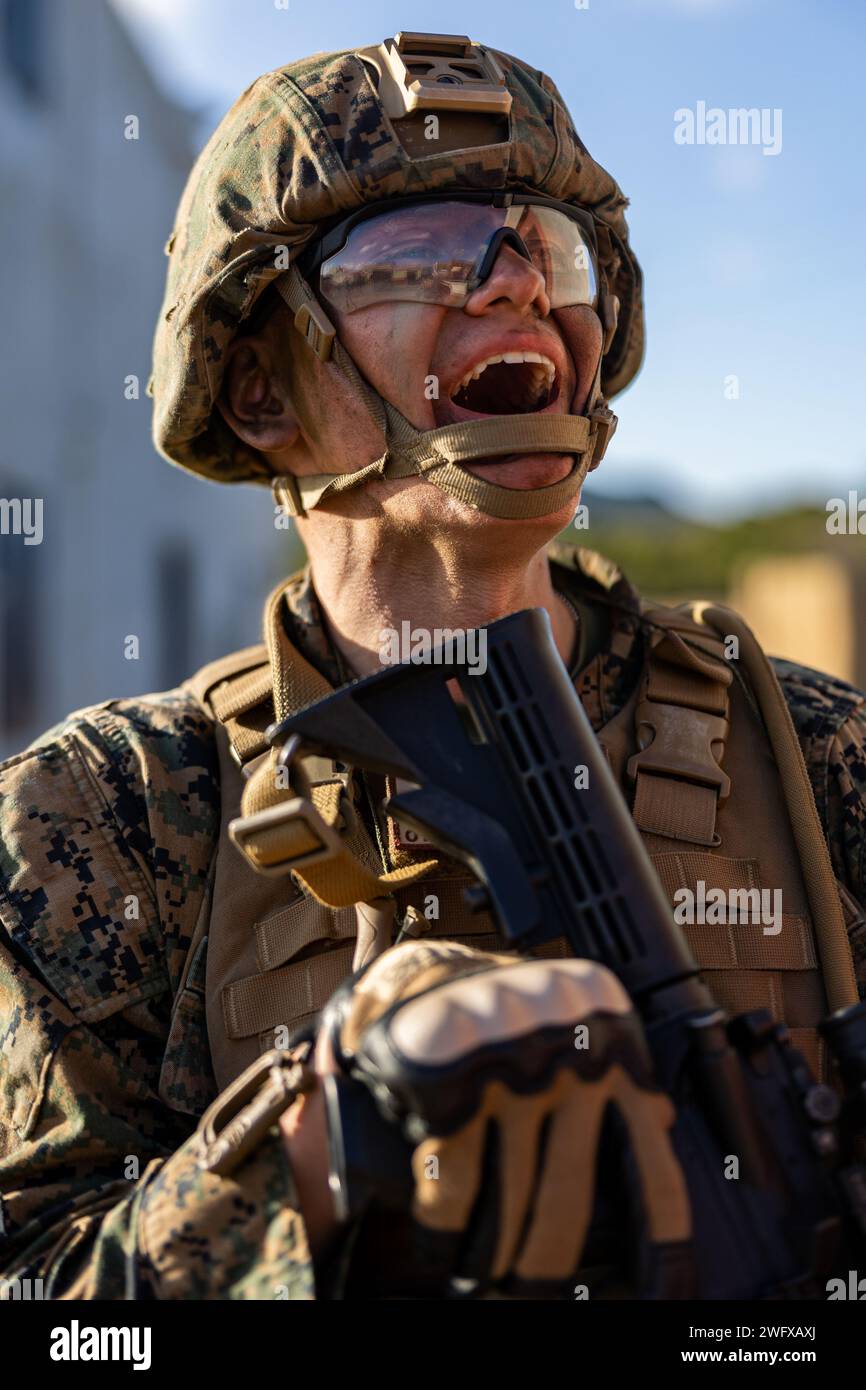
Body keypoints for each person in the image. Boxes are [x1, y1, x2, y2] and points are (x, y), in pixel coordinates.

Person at [1, 31, 864, 1301]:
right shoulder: (109, 817)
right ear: (258, 389)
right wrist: (316, 1138)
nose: (513, 286)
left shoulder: (817, 757)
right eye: (419, 254)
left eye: (548, 252)